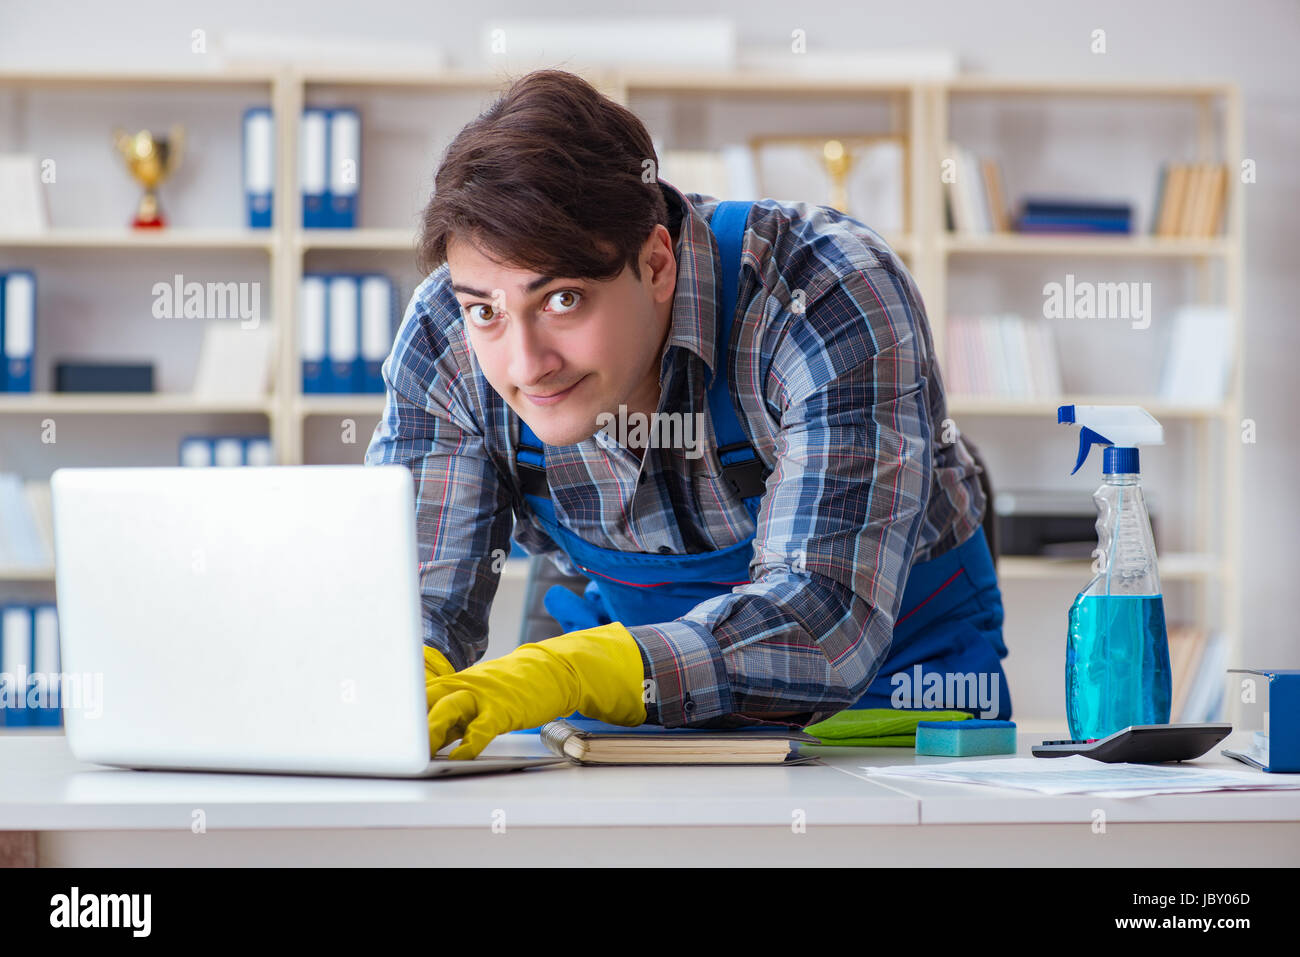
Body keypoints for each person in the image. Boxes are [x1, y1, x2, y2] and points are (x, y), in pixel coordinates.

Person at [364, 69, 1010, 760]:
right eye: (487, 311)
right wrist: (391, 674)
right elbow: (416, 602)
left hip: (880, 684)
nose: (526, 364)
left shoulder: (824, 291)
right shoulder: (445, 333)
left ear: (657, 263)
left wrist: (580, 669)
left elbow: (827, 617)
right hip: (614, 685)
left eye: (562, 300)